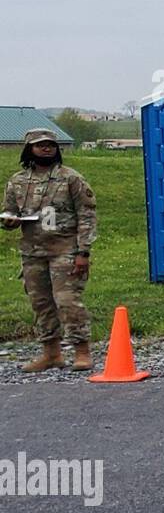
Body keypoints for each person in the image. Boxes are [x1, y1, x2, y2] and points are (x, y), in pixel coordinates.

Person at [2, 128, 97, 372]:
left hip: (65, 249)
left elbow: (87, 215)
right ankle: (51, 354)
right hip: (33, 253)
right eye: (40, 145)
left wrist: (83, 252)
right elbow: (9, 212)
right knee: (41, 303)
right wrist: (9, 221)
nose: (46, 148)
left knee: (68, 301)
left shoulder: (70, 178)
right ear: (29, 149)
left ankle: (82, 352)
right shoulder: (17, 181)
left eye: (50, 145)